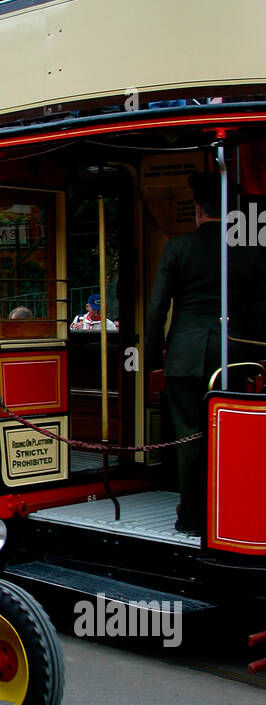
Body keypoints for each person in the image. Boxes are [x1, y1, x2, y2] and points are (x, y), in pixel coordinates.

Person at [145, 173, 266, 534]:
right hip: (235, 354)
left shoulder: (176, 249)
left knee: (190, 436)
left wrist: (153, 360)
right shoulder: (248, 252)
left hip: (186, 354)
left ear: (197, 210)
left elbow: (157, 309)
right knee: (231, 433)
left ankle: (193, 515)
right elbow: (260, 308)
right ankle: (227, 509)